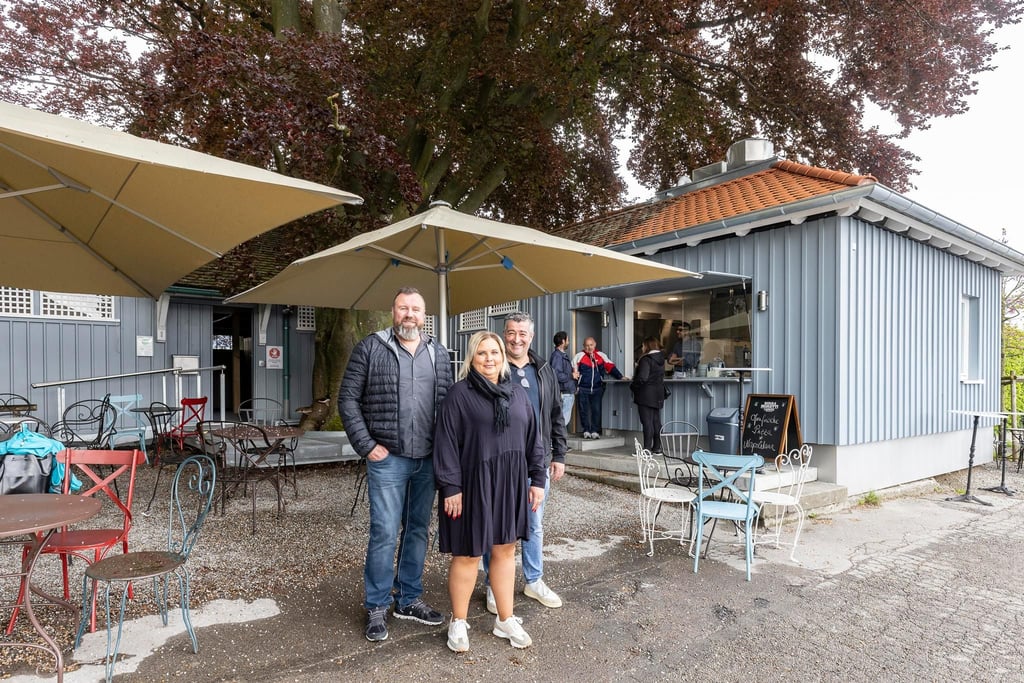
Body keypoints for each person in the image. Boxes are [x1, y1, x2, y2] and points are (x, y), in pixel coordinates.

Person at [338, 287, 454, 642]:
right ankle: (376, 605)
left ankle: (408, 598)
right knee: (385, 532)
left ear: (424, 315)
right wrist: (366, 445)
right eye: (403, 308)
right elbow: (348, 399)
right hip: (387, 459)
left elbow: (447, 405)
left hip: (427, 459)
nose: (409, 314)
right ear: (393, 312)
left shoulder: (438, 353)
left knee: (417, 529)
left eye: (416, 309)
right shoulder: (370, 348)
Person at [434, 331, 547, 652]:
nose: (489, 358)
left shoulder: (517, 394)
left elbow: (534, 439)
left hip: (510, 483)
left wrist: (538, 479)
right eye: (482, 353)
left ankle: (505, 619)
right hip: (472, 485)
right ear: (472, 358)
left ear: (503, 356)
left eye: (494, 352)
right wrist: (451, 487)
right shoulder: (459, 394)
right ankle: (458, 621)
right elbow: (445, 443)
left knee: (505, 549)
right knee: (468, 553)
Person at [480, 313, 567, 616]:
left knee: (533, 524)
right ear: (503, 334)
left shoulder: (544, 369)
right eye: (510, 333)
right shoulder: (493, 366)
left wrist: (559, 455)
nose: (516, 339)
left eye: (522, 334)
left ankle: (533, 580)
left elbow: (556, 414)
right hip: (500, 462)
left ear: (531, 337)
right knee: (495, 525)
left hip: (536, 461)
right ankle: (493, 584)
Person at [573, 337, 625, 439]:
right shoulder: (579, 356)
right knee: (583, 411)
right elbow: (573, 371)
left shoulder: (601, 355)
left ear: (595, 344)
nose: (589, 347)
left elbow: (610, 367)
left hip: (597, 388)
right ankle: (586, 430)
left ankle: (594, 431)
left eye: (591, 345)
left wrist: (620, 376)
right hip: (583, 388)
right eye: (587, 345)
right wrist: (575, 386)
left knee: (596, 410)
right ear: (584, 346)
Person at [631, 335, 667, 454]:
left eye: (643, 345)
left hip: (645, 394)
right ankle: (657, 447)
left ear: (647, 346)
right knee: (656, 421)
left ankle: (646, 449)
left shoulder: (646, 359)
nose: (642, 347)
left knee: (647, 422)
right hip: (658, 394)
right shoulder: (661, 359)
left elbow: (642, 378)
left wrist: (633, 386)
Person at [549, 331, 578, 432]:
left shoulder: (561, 355)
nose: (568, 342)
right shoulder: (558, 356)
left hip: (566, 392)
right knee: (563, 420)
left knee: (562, 419)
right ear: (563, 341)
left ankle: (557, 440)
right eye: (567, 340)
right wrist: (571, 375)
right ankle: (557, 440)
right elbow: (556, 374)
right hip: (564, 393)